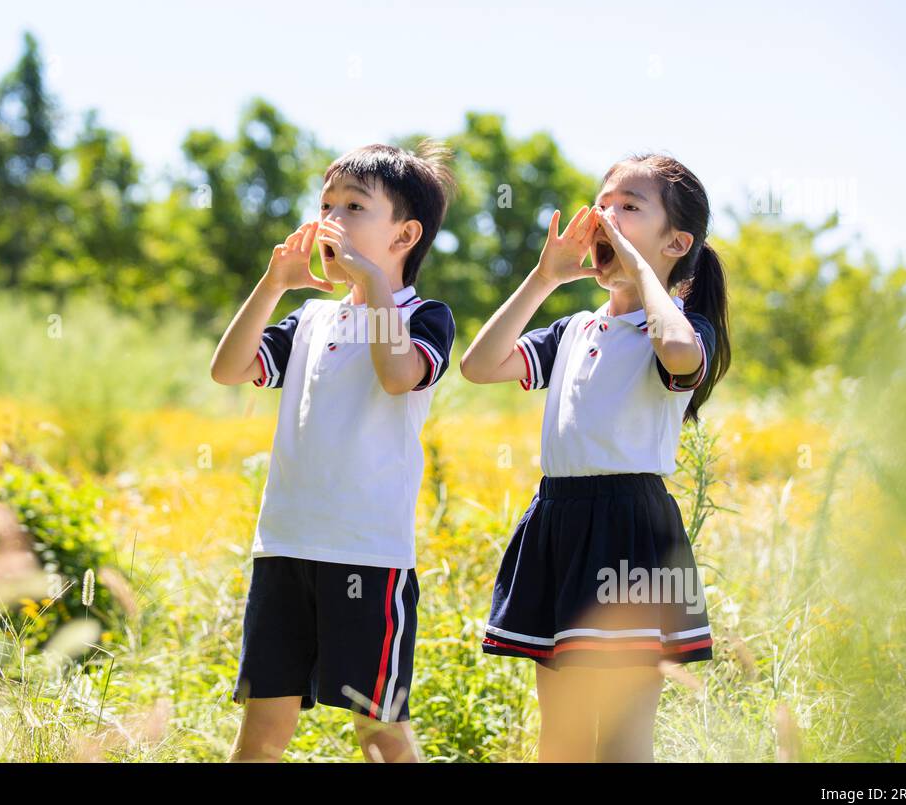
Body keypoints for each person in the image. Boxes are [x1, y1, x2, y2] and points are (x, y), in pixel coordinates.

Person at [460, 152, 731, 762]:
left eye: (629, 208)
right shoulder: (573, 330)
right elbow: (478, 367)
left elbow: (680, 353)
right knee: (560, 742)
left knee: (620, 743)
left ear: (677, 242)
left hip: (630, 532)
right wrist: (545, 278)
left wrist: (639, 267)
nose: (605, 216)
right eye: (602, 203)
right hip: (559, 521)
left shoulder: (681, 327)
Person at [210, 140, 457, 762]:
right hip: (286, 546)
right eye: (326, 204)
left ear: (404, 235)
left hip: (367, 555)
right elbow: (229, 369)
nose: (331, 219)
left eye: (353, 206)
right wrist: (274, 285)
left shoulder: (424, 316)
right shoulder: (310, 321)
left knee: (379, 733)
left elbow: (398, 374)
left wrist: (372, 280)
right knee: (261, 735)